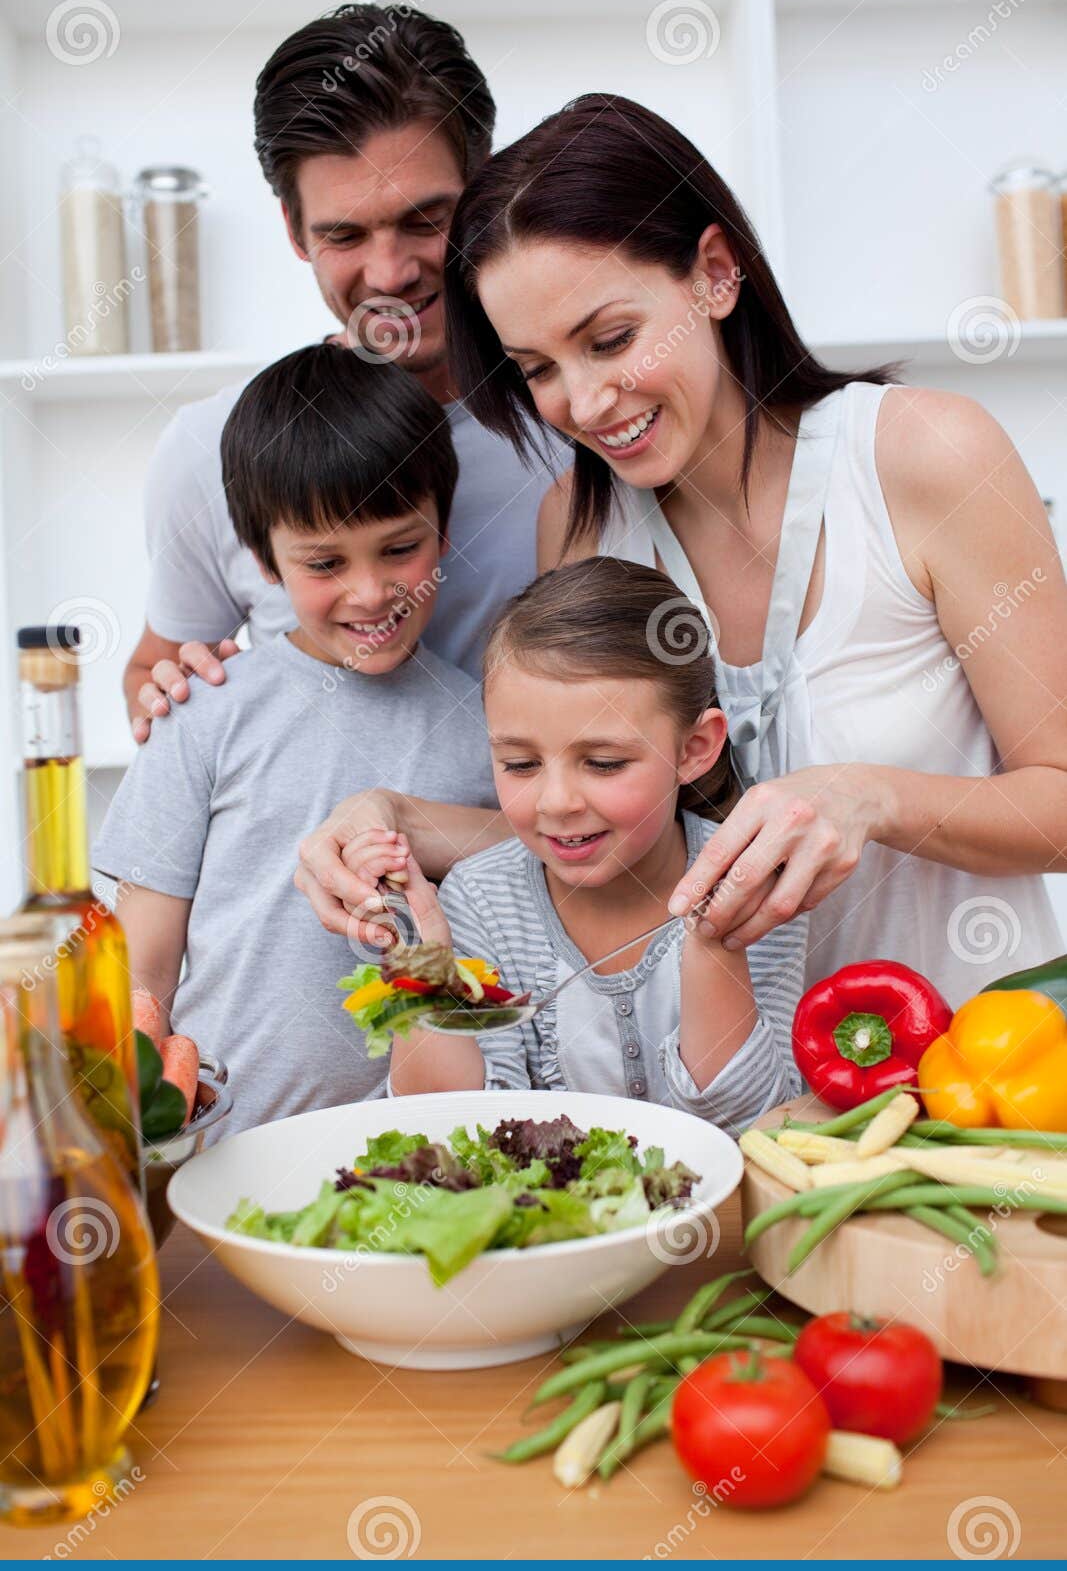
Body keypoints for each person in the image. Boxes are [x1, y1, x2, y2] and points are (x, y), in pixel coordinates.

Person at [298, 93, 1067, 1009]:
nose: (583, 404)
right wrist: (393, 821)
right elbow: (593, 830)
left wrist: (871, 798)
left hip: (978, 1088)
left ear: (712, 273)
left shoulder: (922, 456)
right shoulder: (582, 529)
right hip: (730, 1106)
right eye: (538, 368)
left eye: (610, 339)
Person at [123, 3, 560, 740]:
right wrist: (169, 698)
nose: (390, 271)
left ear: (485, 192)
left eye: (426, 220)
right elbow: (153, 668)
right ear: (295, 231)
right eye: (345, 234)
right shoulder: (211, 449)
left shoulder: (579, 413)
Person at [94, 344, 496, 1135]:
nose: (370, 591)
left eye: (399, 547)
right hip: (218, 1144)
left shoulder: (487, 724)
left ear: (443, 533)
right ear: (263, 562)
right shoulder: (201, 709)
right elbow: (144, 970)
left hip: (420, 1152)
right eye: (324, 561)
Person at [373, 559, 806, 1132]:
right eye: (520, 763)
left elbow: (754, 1122)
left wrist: (713, 941)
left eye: (603, 763)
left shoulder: (756, 888)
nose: (556, 801)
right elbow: (455, 1125)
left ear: (694, 748)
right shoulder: (479, 899)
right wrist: (423, 972)